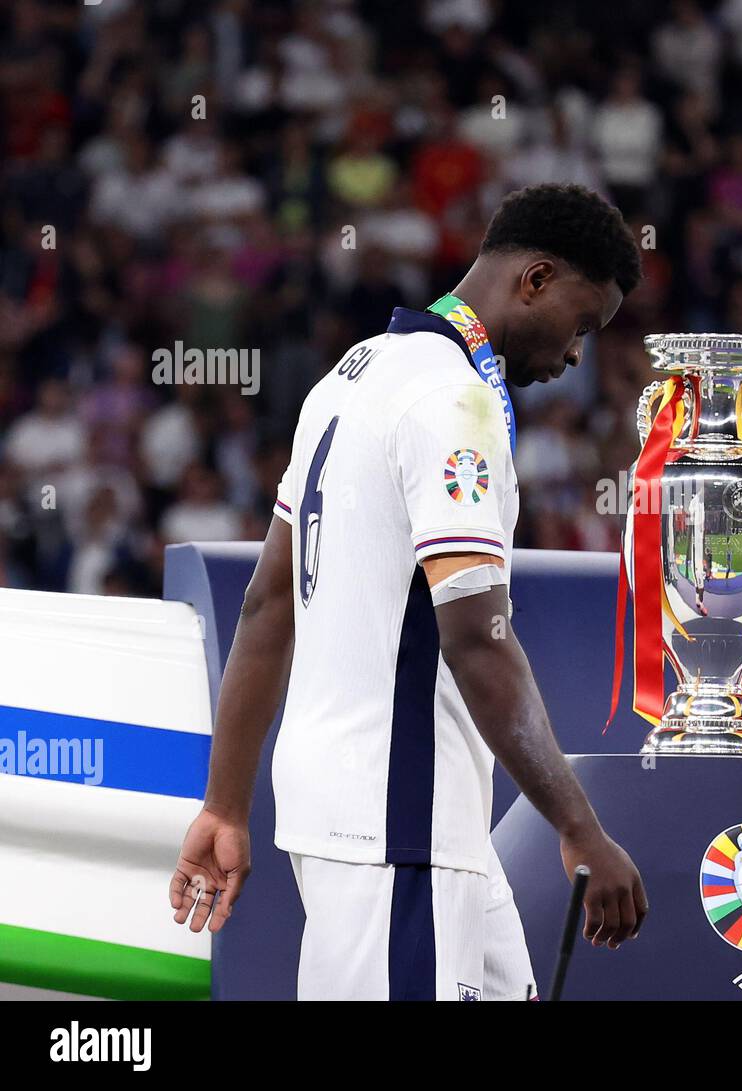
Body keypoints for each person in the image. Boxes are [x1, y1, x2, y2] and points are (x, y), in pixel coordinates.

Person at [168, 183, 649, 1000]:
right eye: (581, 325)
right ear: (534, 279)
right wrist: (579, 826)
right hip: (397, 826)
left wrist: (225, 802)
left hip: (397, 818)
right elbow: (475, 639)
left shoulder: (351, 375)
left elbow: (266, 604)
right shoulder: (453, 398)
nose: (576, 356)